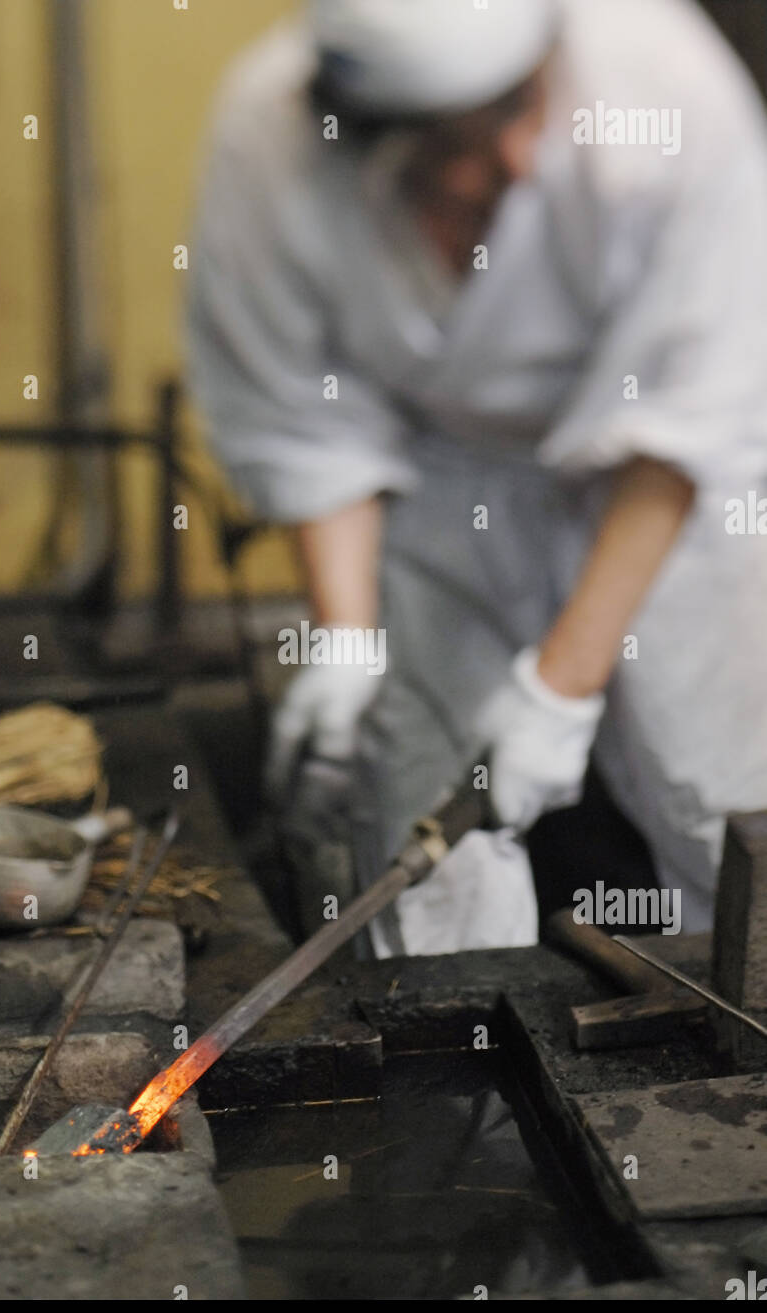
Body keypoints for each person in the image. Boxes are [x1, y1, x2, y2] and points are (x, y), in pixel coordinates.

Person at [188, 0, 767, 955]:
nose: (515, 162)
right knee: (424, 846)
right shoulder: (269, 141)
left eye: (522, 107)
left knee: (725, 809)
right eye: (457, 143)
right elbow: (304, 419)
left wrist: (561, 690)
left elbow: (690, 414)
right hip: (442, 483)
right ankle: (469, 1074)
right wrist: (348, 641)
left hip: (665, 498)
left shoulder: (670, 91)